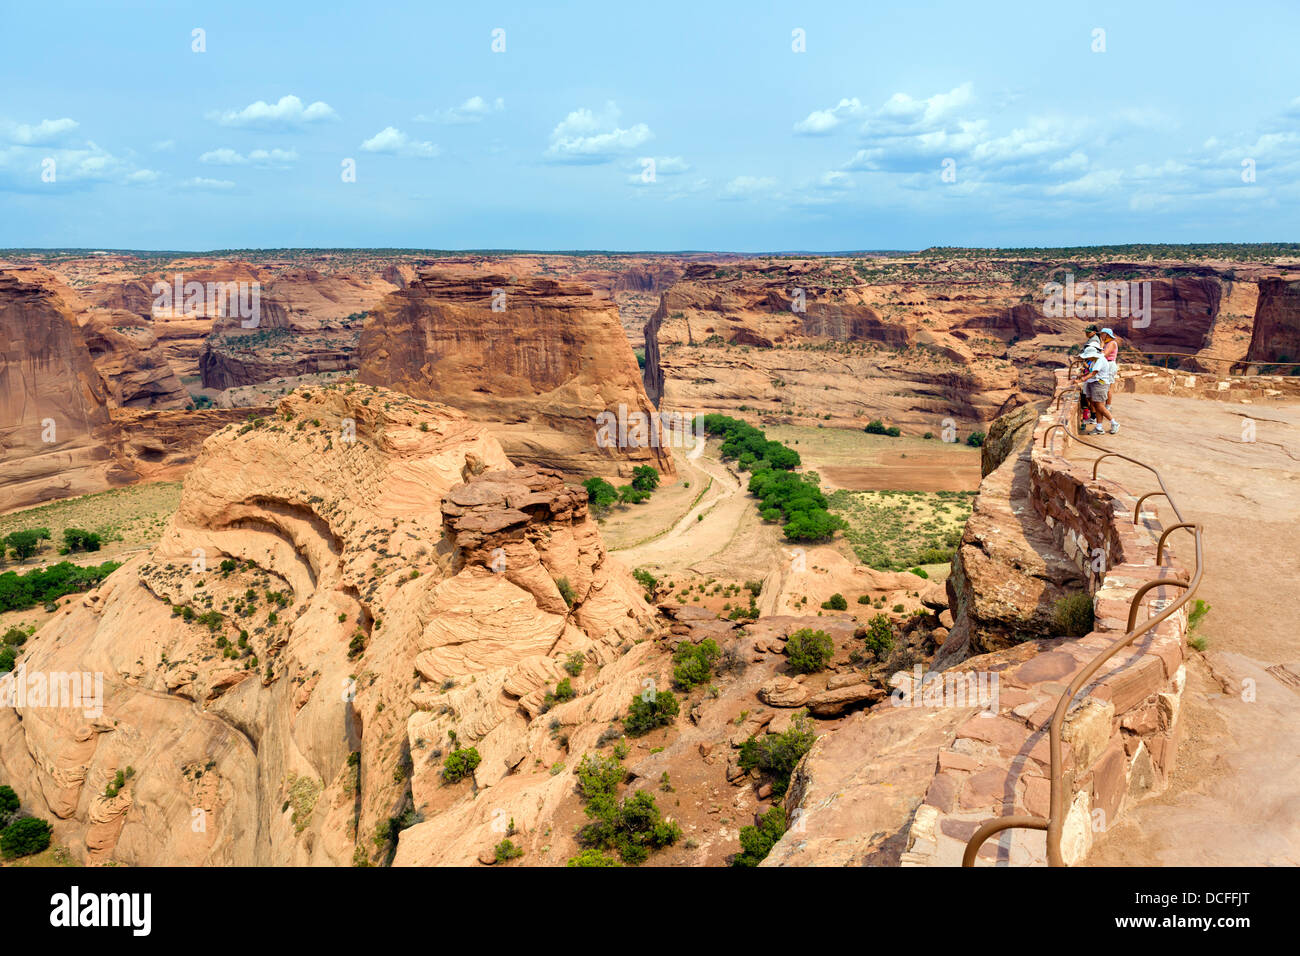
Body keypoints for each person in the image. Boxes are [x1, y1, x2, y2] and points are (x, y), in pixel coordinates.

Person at [1077, 343, 1118, 435]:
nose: (1087, 358)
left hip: (1100, 385)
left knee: (1100, 406)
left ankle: (1114, 423)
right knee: (1096, 406)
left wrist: (1082, 379)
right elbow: (1091, 371)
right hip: (1095, 384)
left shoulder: (1099, 360)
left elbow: (1093, 373)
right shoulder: (1095, 360)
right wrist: (1082, 376)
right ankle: (1099, 427)